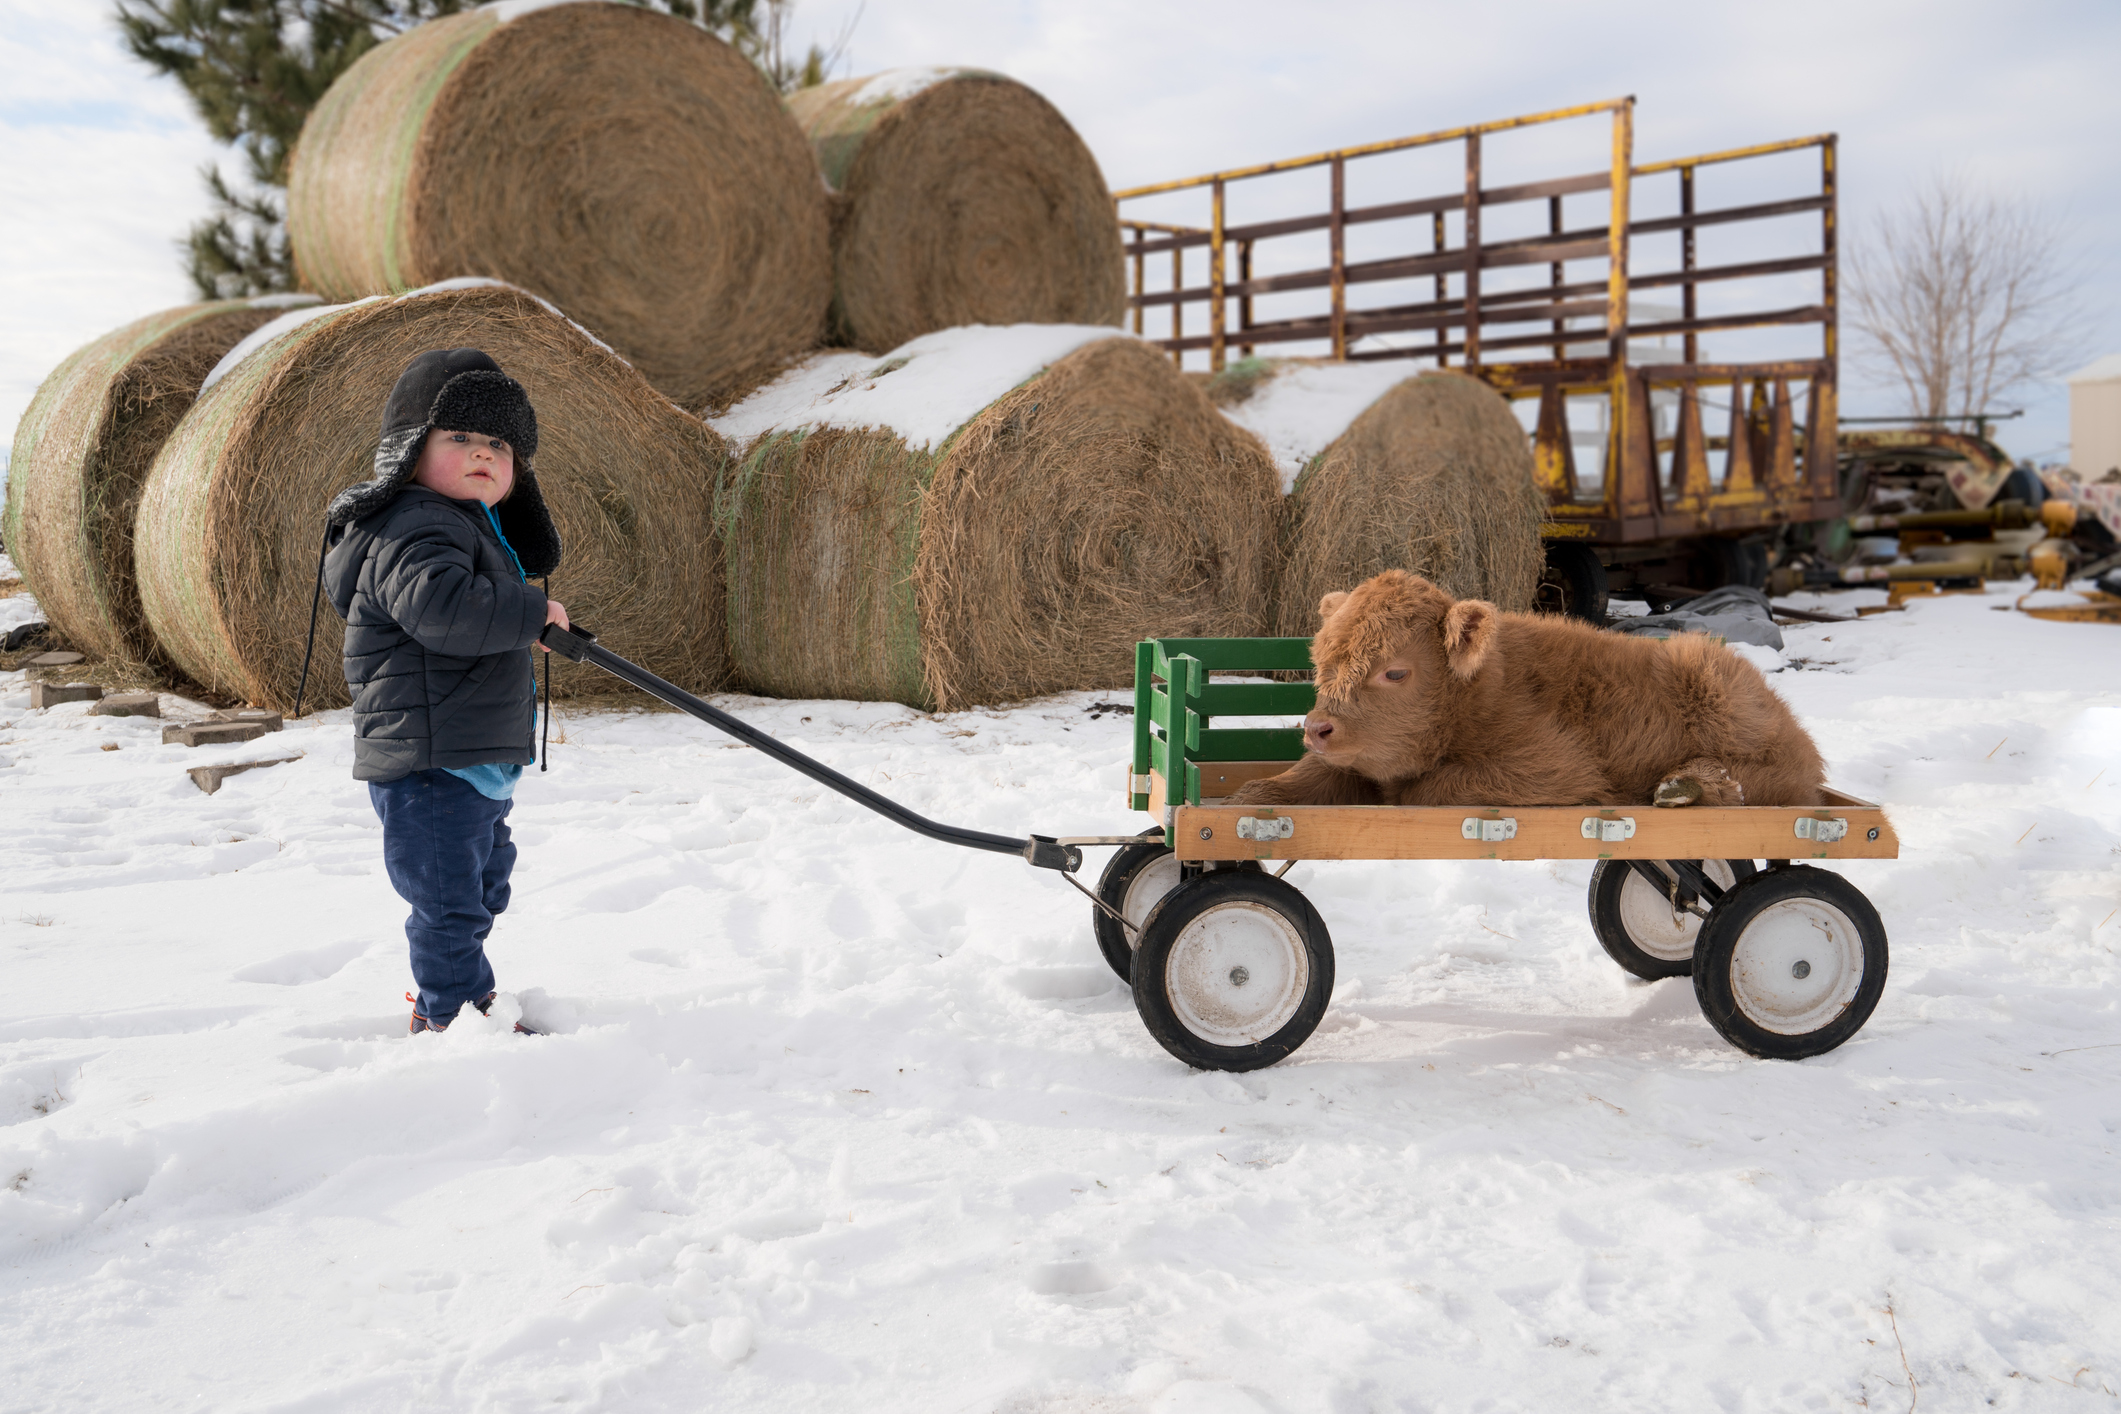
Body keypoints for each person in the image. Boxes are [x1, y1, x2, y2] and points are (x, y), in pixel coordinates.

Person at [319, 348, 567, 1034]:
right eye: (459, 436)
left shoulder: (461, 526)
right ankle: (452, 1019)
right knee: (449, 903)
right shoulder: (414, 524)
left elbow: (473, 613)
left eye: (499, 443)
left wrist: (527, 619)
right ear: (408, 452)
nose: (483, 452)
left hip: (466, 755)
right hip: (429, 762)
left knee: (481, 888)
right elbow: (444, 609)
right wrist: (529, 612)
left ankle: (451, 999)